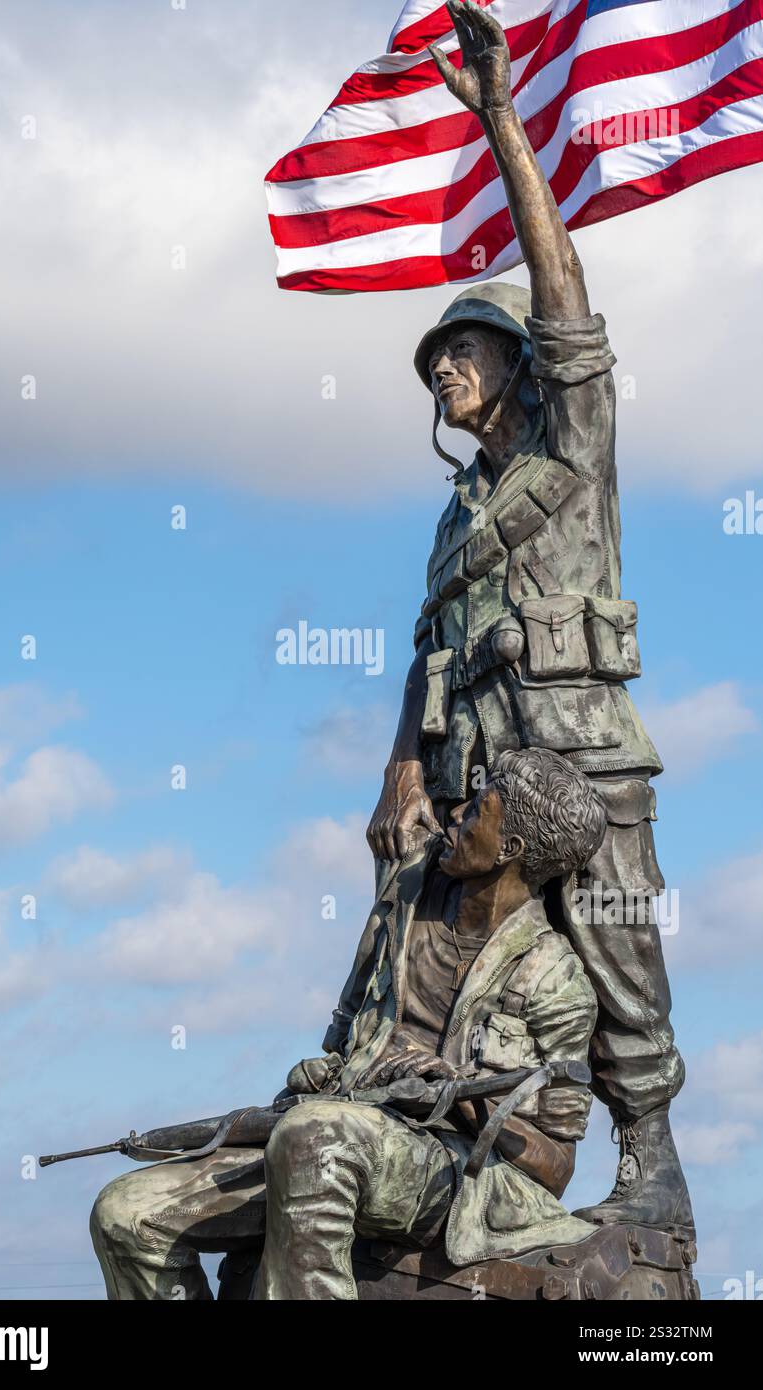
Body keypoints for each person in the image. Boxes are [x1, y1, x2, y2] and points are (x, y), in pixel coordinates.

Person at [359, 1, 692, 1236]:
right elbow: (424, 656)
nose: (442, 369)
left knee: (619, 967)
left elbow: (568, 301)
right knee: (442, 972)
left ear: (509, 362)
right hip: (474, 784)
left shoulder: (573, 444)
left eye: (460, 350)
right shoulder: (454, 518)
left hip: (586, 763)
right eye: (436, 358)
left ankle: (652, 1179)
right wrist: (399, 774)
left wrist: (502, 122)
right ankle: (458, 1176)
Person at [91, 748, 604, 1299]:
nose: (456, 814)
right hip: (331, 1132)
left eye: (478, 810)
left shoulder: (558, 981)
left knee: (315, 1139)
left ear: (511, 849)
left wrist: (460, 1095)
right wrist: (330, 1072)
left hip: (457, 1176)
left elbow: (554, 1168)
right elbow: (409, 758)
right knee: (125, 1215)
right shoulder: (407, 889)